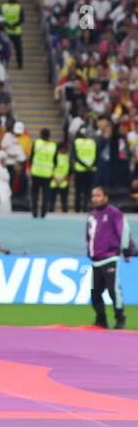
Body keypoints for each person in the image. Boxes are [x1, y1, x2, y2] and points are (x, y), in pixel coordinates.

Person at [87, 186, 132, 329]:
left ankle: (120, 319)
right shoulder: (92, 214)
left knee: (114, 291)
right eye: (93, 196)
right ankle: (101, 320)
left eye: (98, 195)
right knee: (95, 294)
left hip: (110, 258)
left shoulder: (114, 213)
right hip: (96, 260)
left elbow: (124, 230)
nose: (95, 199)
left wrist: (127, 250)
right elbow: (89, 236)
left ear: (105, 197)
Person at [29, 128, 56, 218]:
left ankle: (34, 213)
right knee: (45, 195)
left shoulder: (36, 143)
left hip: (36, 172)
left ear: (40, 134)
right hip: (47, 174)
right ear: (49, 136)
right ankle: (43, 213)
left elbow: (31, 157)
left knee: (34, 194)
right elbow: (55, 161)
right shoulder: (53, 146)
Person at [72, 127, 97, 213]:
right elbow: (97, 156)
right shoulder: (93, 142)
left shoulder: (76, 142)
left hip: (80, 170)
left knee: (78, 192)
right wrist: (90, 166)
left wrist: (84, 165)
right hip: (91, 171)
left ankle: (77, 209)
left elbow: (75, 156)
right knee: (88, 192)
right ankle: (86, 209)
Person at [0, 0, 23, 69]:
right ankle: (20, 65)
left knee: (6, 49)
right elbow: (22, 19)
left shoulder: (3, 7)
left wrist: (7, 25)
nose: (17, 0)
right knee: (18, 50)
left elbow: (0, 18)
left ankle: (6, 64)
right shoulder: (19, 7)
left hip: (6, 31)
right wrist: (14, 25)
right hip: (16, 31)